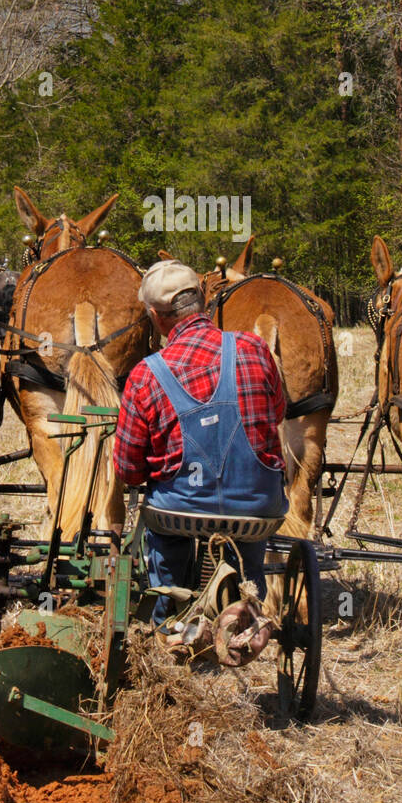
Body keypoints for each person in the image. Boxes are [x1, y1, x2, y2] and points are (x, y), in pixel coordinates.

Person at [113, 258, 287, 633]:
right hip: (257, 508)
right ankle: (244, 603)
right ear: (205, 298)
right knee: (248, 526)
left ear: (156, 317)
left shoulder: (145, 375)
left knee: (165, 527)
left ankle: (172, 616)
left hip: (179, 511)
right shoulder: (255, 348)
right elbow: (277, 412)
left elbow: (128, 469)